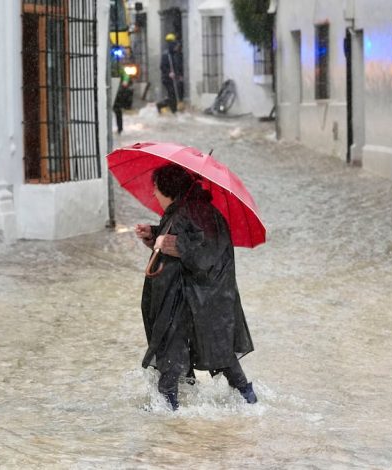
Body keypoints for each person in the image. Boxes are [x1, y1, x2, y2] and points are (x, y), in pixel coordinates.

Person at [134, 163, 257, 410]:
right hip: (206, 297)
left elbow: (203, 251)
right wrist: (155, 234)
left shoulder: (188, 213)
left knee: (174, 351)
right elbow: (192, 239)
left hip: (192, 298)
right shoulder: (193, 210)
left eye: (156, 188)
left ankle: (169, 416)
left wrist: (172, 245)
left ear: (167, 189)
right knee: (218, 351)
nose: (154, 194)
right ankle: (248, 401)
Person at [156, 33, 184, 114]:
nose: (177, 47)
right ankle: (172, 111)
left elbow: (178, 66)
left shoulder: (176, 54)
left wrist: (179, 75)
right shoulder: (166, 55)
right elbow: (162, 66)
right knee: (172, 95)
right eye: (176, 46)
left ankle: (168, 108)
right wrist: (169, 73)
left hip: (174, 78)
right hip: (167, 79)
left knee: (174, 94)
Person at [112, 70, 133, 134]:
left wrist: (125, 81)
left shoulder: (117, 67)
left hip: (117, 91)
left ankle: (119, 129)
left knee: (117, 110)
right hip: (113, 90)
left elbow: (125, 75)